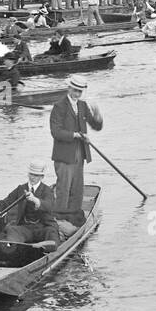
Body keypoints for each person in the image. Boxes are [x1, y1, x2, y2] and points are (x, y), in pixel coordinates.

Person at [49, 75, 103, 214]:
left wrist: (98, 117)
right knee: (63, 190)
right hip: (64, 156)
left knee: (78, 189)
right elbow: (56, 132)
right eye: (75, 90)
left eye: (80, 91)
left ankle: (74, 217)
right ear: (69, 88)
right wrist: (75, 135)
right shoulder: (59, 106)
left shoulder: (83, 105)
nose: (77, 94)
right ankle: (59, 218)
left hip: (80, 154)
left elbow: (96, 126)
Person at [0, 163, 61, 244]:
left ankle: (47, 249)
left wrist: (36, 200)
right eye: (31, 174)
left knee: (51, 233)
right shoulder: (21, 189)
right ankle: (14, 248)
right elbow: (4, 203)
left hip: (44, 227)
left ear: (42, 177)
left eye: (36, 175)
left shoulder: (47, 190)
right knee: (12, 230)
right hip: (25, 228)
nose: (32, 177)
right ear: (28, 174)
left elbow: (49, 205)